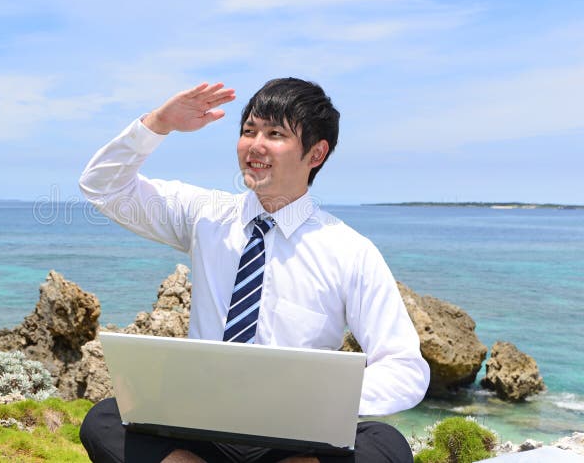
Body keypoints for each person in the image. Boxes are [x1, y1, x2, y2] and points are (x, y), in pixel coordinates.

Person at [78, 78, 430, 463]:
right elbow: (102, 187)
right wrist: (158, 124)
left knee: (386, 444)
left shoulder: (349, 251)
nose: (255, 145)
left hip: (297, 435)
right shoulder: (205, 216)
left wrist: (319, 397)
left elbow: (405, 367)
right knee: (105, 418)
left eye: (275, 133)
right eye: (249, 131)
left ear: (316, 153)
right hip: (201, 427)